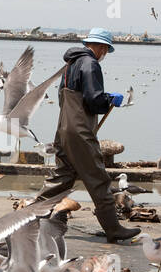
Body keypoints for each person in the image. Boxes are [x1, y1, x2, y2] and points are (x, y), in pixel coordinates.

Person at [33, 28, 140, 243]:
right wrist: (110, 99)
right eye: (106, 50)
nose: (105, 54)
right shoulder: (91, 64)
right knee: (98, 178)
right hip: (80, 132)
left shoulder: (69, 65)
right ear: (100, 47)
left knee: (61, 179)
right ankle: (113, 229)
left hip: (63, 129)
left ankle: (27, 221)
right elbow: (94, 101)